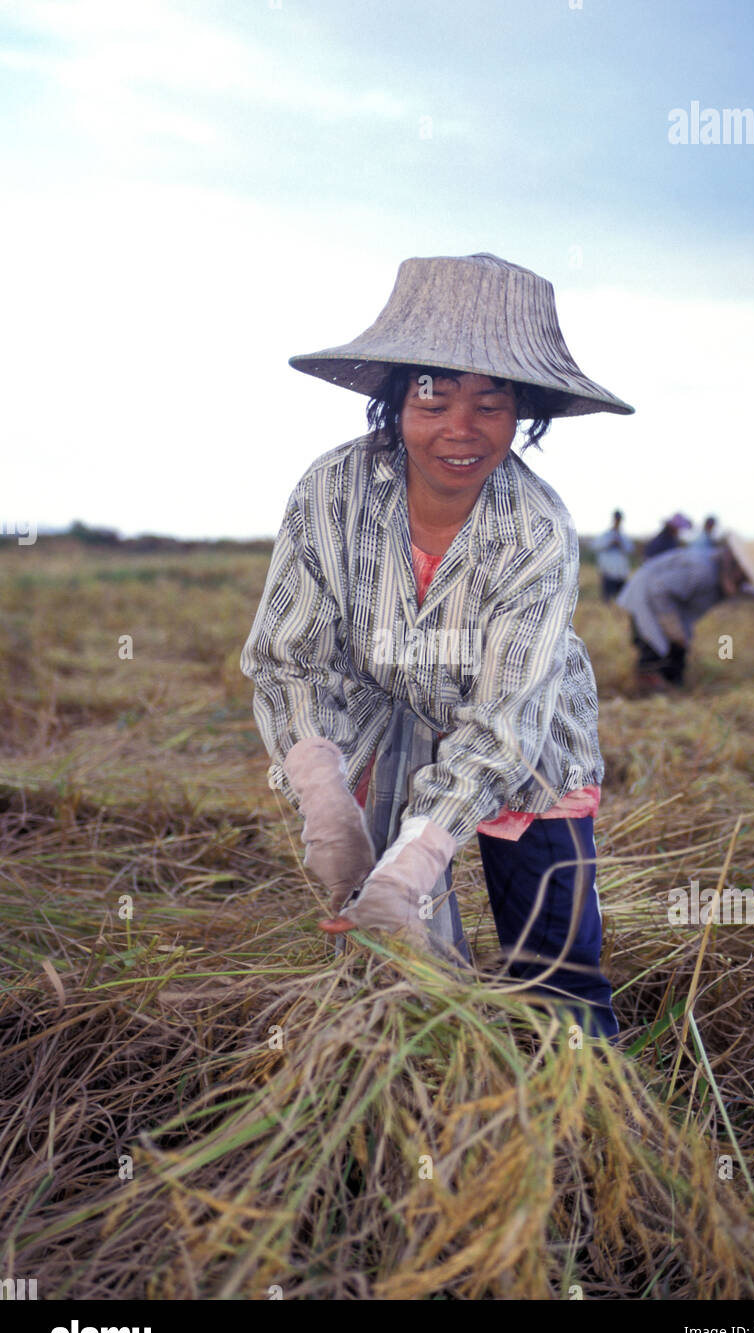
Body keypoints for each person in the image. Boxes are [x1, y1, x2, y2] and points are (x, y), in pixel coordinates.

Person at [240, 252, 635, 1039]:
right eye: (433, 397)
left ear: (523, 414)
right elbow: (292, 655)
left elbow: (505, 715)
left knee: (557, 971)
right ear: (393, 402)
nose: (460, 429)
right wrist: (322, 790)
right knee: (396, 973)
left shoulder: (535, 529)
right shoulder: (332, 491)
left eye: (490, 404)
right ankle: (426, 1105)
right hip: (385, 732)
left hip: (528, 750)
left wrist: (420, 852)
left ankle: (585, 1125)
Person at [616, 535, 754, 693]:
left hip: (668, 606)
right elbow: (658, 590)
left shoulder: (720, 572)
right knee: (656, 650)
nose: (744, 582)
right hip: (647, 601)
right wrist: (673, 629)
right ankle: (648, 693)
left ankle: (671, 689)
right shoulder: (702, 570)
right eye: (744, 577)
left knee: (677, 658)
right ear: (737, 565)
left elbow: (739, 592)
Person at [592, 509, 634, 600]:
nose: (618, 521)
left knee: (621, 600)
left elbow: (630, 549)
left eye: (619, 519)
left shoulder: (624, 537)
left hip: (621, 573)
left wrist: (620, 544)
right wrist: (610, 543)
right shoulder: (606, 535)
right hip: (608, 572)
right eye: (616, 519)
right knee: (607, 599)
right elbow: (595, 546)